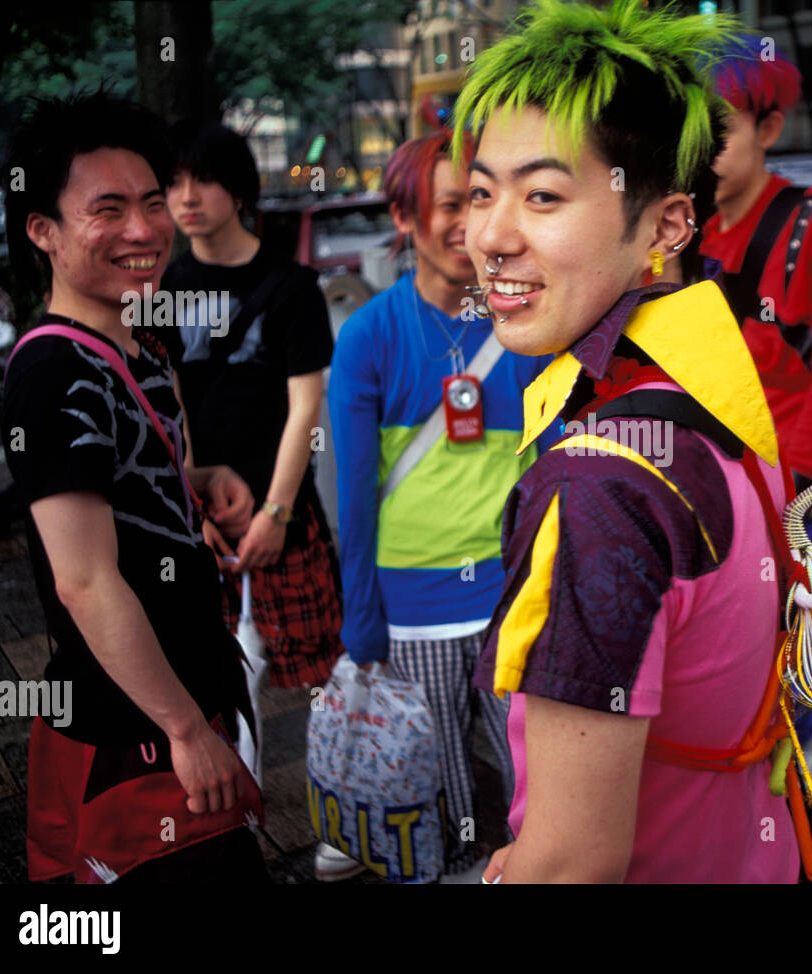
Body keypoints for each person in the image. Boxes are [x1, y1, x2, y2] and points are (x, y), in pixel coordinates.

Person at [456, 0, 800, 883]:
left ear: (667, 226)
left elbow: (572, 864)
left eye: (542, 196)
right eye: (481, 193)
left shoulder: (600, 486)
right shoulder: (714, 393)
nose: (490, 237)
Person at [2, 93, 266, 884]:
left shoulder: (139, 344)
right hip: (131, 731)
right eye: (107, 210)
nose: (146, 230)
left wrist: (200, 477)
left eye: (153, 203)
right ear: (43, 231)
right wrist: (186, 730)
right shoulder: (51, 372)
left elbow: (125, 477)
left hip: (178, 690)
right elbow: (84, 580)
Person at [327, 131, 546, 882]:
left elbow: (553, 461)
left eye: (481, 200)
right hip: (411, 612)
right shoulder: (368, 337)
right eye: (450, 204)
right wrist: (361, 620)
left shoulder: (526, 322)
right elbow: (351, 496)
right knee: (440, 805)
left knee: (539, 792)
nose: (468, 223)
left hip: (510, 603)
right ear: (404, 216)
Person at [160, 120, 343, 692]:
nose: (187, 197)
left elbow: (304, 408)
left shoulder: (291, 286)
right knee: (206, 685)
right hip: (201, 518)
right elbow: (171, 402)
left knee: (321, 680)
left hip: (284, 513)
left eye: (206, 181)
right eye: (175, 183)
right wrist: (192, 505)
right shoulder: (161, 290)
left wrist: (276, 512)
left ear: (239, 192)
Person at [701, 35, 812, 487]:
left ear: (769, 130)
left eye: (718, 132)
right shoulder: (685, 235)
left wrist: (794, 493)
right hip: (712, 490)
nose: (699, 152)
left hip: (796, 498)